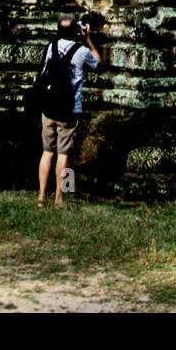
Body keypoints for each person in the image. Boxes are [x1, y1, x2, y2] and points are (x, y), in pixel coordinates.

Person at [37, 15, 102, 208]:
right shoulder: (82, 51)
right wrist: (88, 39)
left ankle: (41, 197)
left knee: (48, 151)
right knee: (64, 154)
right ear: (77, 31)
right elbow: (97, 63)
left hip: (49, 108)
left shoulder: (51, 47)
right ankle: (60, 198)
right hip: (69, 110)